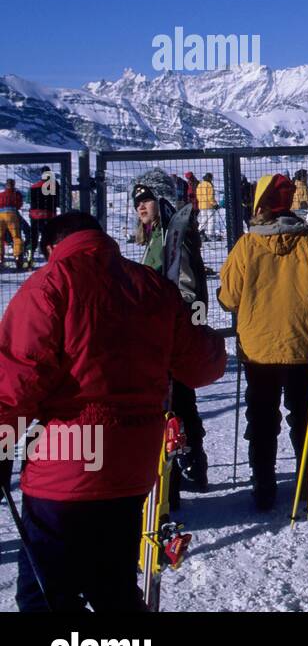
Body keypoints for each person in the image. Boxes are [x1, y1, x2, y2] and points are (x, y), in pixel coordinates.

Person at [0, 211, 226, 612]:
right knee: (112, 583)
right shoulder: (150, 286)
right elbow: (201, 366)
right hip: (133, 460)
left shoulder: (52, 283)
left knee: (46, 593)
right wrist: (209, 339)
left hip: (69, 457)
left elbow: (17, 381)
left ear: (54, 245)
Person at [218, 174, 308, 511]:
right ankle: (307, 482)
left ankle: (263, 486)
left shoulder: (246, 246)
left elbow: (228, 297)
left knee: (262, 418)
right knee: (304, 416)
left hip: (259, 350)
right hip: (303, 345)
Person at [131, 168, 212, 496]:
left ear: (161, 198)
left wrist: (187, 330)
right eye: (136, 201)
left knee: (178, 405)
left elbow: (189, 288)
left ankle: (187, 472)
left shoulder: (175, 235)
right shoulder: (157, 236)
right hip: (160, 336)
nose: (140, 205)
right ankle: (181, 474)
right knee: (176, 405)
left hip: (172, 336)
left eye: (146, 198)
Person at [27, 168, 58, 269]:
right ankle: (52, 259)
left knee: (34, 236)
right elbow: (58, 200)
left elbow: (28, 200)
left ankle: (30, 257)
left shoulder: (33, 187)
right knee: (49, 237)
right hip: (49, 215)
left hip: (35, 215)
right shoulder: (54, 185)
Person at [0, 178, 25, 271]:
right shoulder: (16, 194)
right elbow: (19, 205)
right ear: (13, 185)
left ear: (6, 185)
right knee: (16, 237)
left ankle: (0, 259)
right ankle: (18, 258)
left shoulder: (1, 194)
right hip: (12, 215)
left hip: (0, 215)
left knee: (0, 238)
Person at [195, 172, 221, 241]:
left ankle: (199, 232)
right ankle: (211, 234)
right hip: (209, 205)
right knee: (211, 220)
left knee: (204, 219)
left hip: (201, 204)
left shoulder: (200, 184)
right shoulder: (209, 185)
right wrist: (215, 204)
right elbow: (210, 197)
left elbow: (198, 196)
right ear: (209, 178)